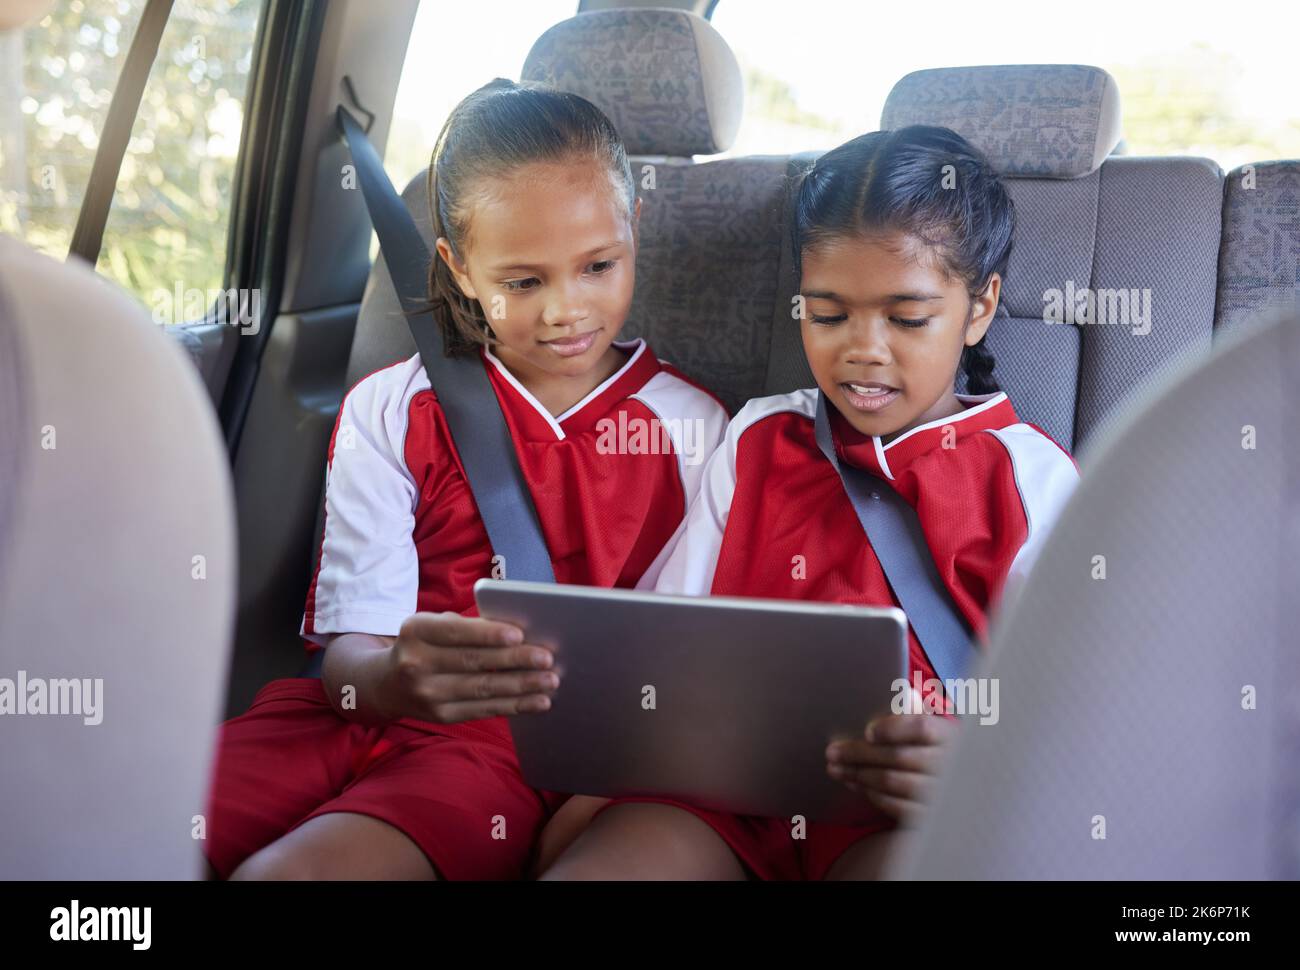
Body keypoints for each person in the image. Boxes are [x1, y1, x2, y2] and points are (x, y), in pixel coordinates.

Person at [203, 79, 728, 881]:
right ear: (457, 265)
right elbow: (352, 654)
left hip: (503, 750)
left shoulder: (695, 430)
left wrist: (595, 800)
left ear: (635, 231)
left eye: (598, 266)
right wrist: (389, 680)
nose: (566, 310)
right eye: (524, 282)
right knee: (105, 830)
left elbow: (666, 679)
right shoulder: (392, 406)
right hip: (348, 710)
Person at [542, 125, 1079, 880]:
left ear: (980, 305)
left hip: (896, 812)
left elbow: (1080, 709)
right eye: (828, 315)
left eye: (907, 318)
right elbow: (668, 629)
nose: (862, 348)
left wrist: (979, 761)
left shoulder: (1029, 480)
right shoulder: (763, 435)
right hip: (717, 797)